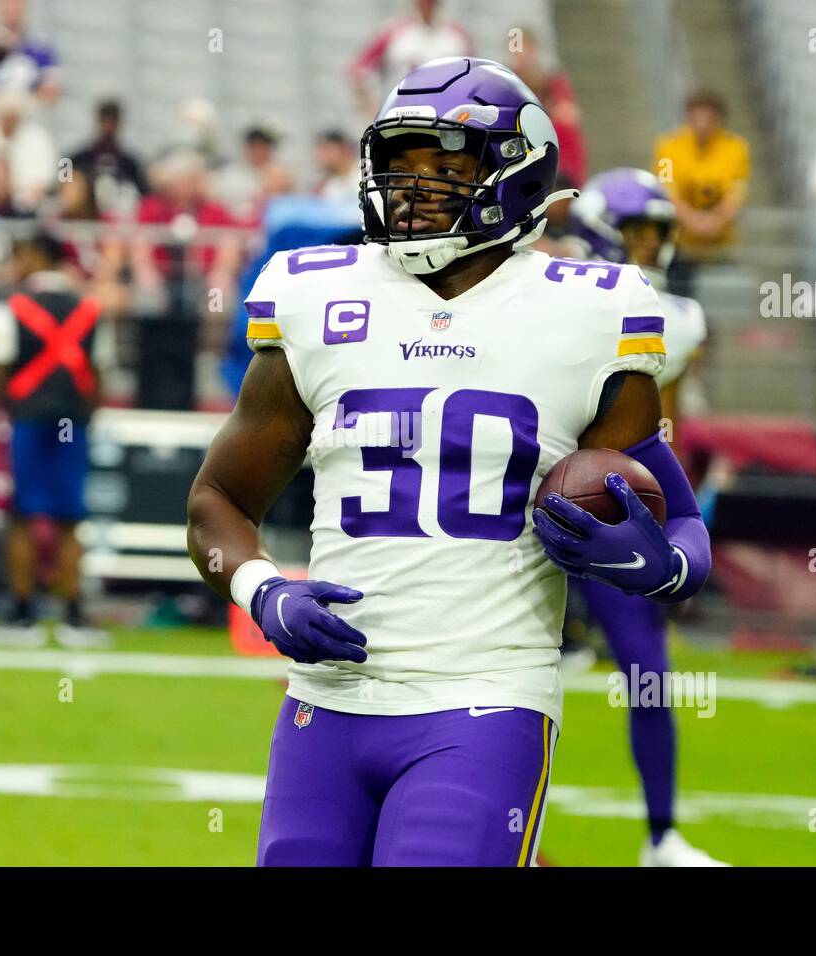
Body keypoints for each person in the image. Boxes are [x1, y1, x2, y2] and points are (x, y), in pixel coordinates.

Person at [187, 58, 712, 867]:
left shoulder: (587, 310)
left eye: (447, 165)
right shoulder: (316, 296)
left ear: (516, 171)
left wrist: (658, 566)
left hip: (484, 698)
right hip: (324, 703)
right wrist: (264, 595)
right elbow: (217, 501)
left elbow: (682, 525)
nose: (415, 186)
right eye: (402, 165)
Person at [569, 167, 725, 866]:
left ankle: (662, 837)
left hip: (614, 514)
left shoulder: (677, 319)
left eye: (657, 234)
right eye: (636, 232)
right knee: (510, 676)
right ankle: (515, 830)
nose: (649, 247)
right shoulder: (549, 293)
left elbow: (664, 425)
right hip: (521, 512)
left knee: (648, 673)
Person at [0, 233, 114, 638]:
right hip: (73, 423)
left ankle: (23, 613)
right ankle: (72, 613)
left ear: (36, 256)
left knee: (22, 515)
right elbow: (99, 377)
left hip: (29, 422)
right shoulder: (90, 310)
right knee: (71, 517)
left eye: (19, 255)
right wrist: (84, 419)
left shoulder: (11, 309)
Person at [652, 89, 750, 291]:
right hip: (679, 242)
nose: (703, 124)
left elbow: (736, 192)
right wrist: (692, 220)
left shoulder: (736, 148)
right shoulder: (667, 146)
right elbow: (667, 189)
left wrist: (715, 221)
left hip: (719, 242)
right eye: (697, 117)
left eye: (709, 118)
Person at [349, 0, 473, 119]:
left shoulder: (457, 36)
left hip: (446, 118)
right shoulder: (393, 32)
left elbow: (472, 76)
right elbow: (358, 71)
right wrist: (372, 111)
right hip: (399, 117)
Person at [507, 26, 587, 187]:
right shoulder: (507, 80)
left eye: (525, 48)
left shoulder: (550, 80)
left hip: (545, 135)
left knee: (564, 128)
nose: (521, 54)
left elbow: (570, 112)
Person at [68, 99, 149, 219]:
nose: (108, 127)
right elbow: (64, 183)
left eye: (112, 122)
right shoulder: (77, 158)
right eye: (105, 121)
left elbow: (144, 194)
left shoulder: (131, 162)